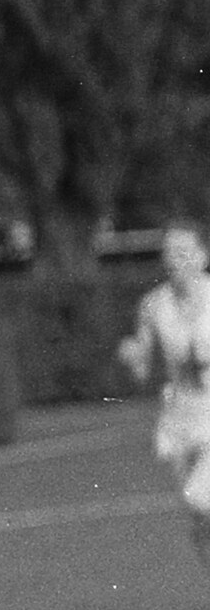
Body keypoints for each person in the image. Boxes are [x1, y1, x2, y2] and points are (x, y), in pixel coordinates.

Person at [116, 223, 210, 576]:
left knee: (200, 497)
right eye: (168, 253)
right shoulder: (154, 305)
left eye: (183, 252)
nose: (174, 260)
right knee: (200, 519)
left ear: (203, 256)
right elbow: (142, 367)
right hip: (179, 419)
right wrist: (132, 355)